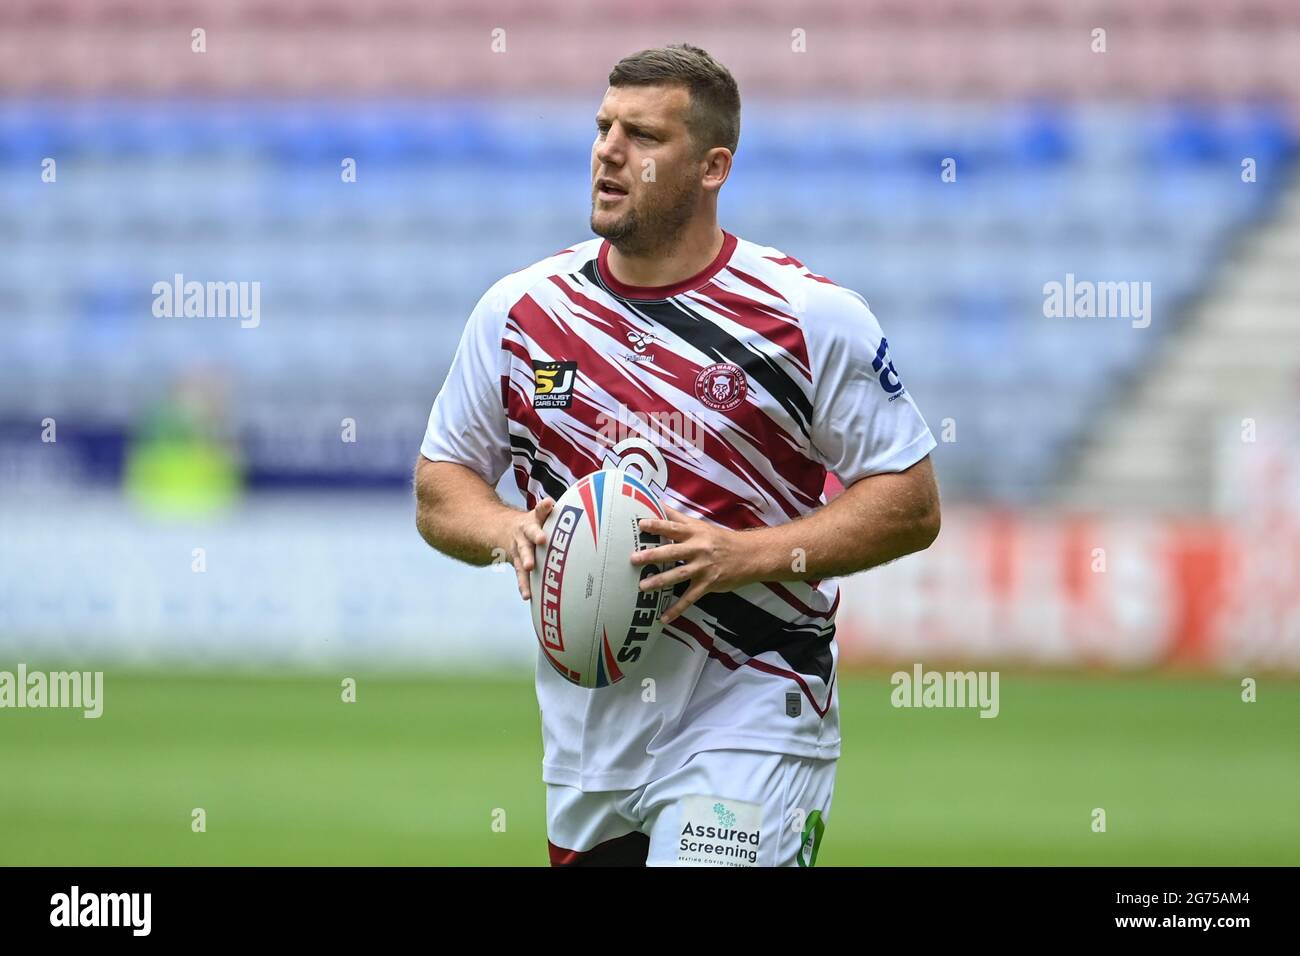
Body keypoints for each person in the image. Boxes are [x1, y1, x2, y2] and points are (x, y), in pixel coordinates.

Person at [415, 44, 941, 866]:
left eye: (645, 136)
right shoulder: (520, 311)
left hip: (756, 712)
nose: (609, 151)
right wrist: (504, 531)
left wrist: (745, 556)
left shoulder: (805, 316)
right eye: (603, 127)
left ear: (712, 166)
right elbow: (440, 483)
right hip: (589, 739)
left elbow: (910, 503)